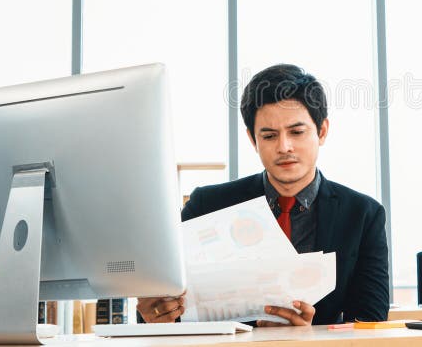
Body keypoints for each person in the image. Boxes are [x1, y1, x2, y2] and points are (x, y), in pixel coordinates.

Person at [138, 64, 390, 326]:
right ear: (252, 139)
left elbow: (370, 322)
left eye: (297, 132)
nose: (284, 147)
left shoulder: (363, 215)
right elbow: (160, 309)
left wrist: (310, 337)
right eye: (269, 136)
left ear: (322, 131)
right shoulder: (206, 206)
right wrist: (154, 312)